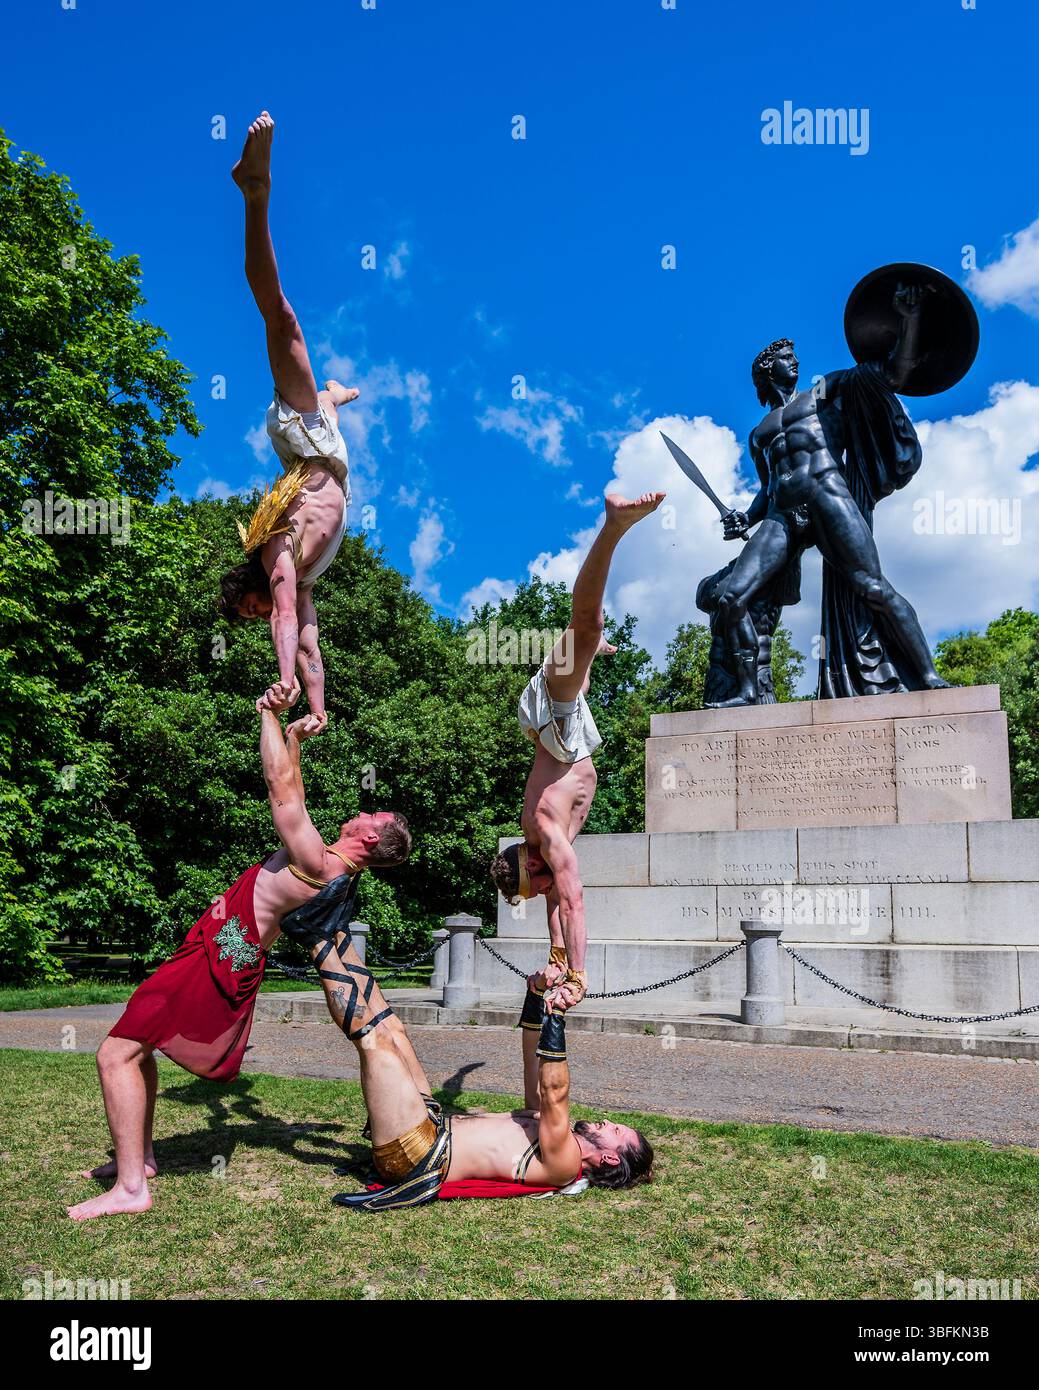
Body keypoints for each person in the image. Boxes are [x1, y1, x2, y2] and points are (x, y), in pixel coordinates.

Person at [67, 699, 413, 1221]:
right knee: (137, 1046)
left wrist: (268, 712)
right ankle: (141, 1160)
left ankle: (133, 1189)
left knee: (114, 1054)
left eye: (372, 816)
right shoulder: (328, 861)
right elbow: (292, 786)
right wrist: (294, 738)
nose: (364, 811)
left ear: (368, 837)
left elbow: (280, 789)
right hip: (216, 948)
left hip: (220, 957)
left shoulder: (316, 859)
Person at [278, 920, 654, 1210]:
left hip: (417, 1153)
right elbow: (532, 1060)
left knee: (376, 1043)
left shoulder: (564, 1161)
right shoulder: (554, 1134)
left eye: (615, 1130)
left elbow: (556, 1091)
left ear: (608, 1157)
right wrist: (536, 996)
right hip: (428, 1123)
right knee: (394, 1030)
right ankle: (336, 930)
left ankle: (314, 938)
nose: (606, 1121)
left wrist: (557, 1016)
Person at [488, 492, 665, 1012]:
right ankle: (589, 654)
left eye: (539, 884)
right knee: (583, 649)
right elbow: (555, 905)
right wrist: (556, 961)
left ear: (533, 866)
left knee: (585, 625)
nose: (547, 889)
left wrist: (579, 976)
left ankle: (614, 526)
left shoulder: (546, 832)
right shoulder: (540, 852)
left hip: (552, 722)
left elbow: (573, 899)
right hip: (557, 725)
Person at [217, 111, 360, 733]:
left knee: (280, 317)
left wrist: (280, 682)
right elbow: (306, 641)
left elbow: (280, 623)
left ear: (249, 584)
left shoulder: (275, 550)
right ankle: (337, 392)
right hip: (323, 436)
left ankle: (255, 193)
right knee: (327, 388)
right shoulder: (300, 579)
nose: (259, 615)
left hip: (303, 439)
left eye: (247, 609)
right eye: (254, 617)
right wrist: (316, 707)